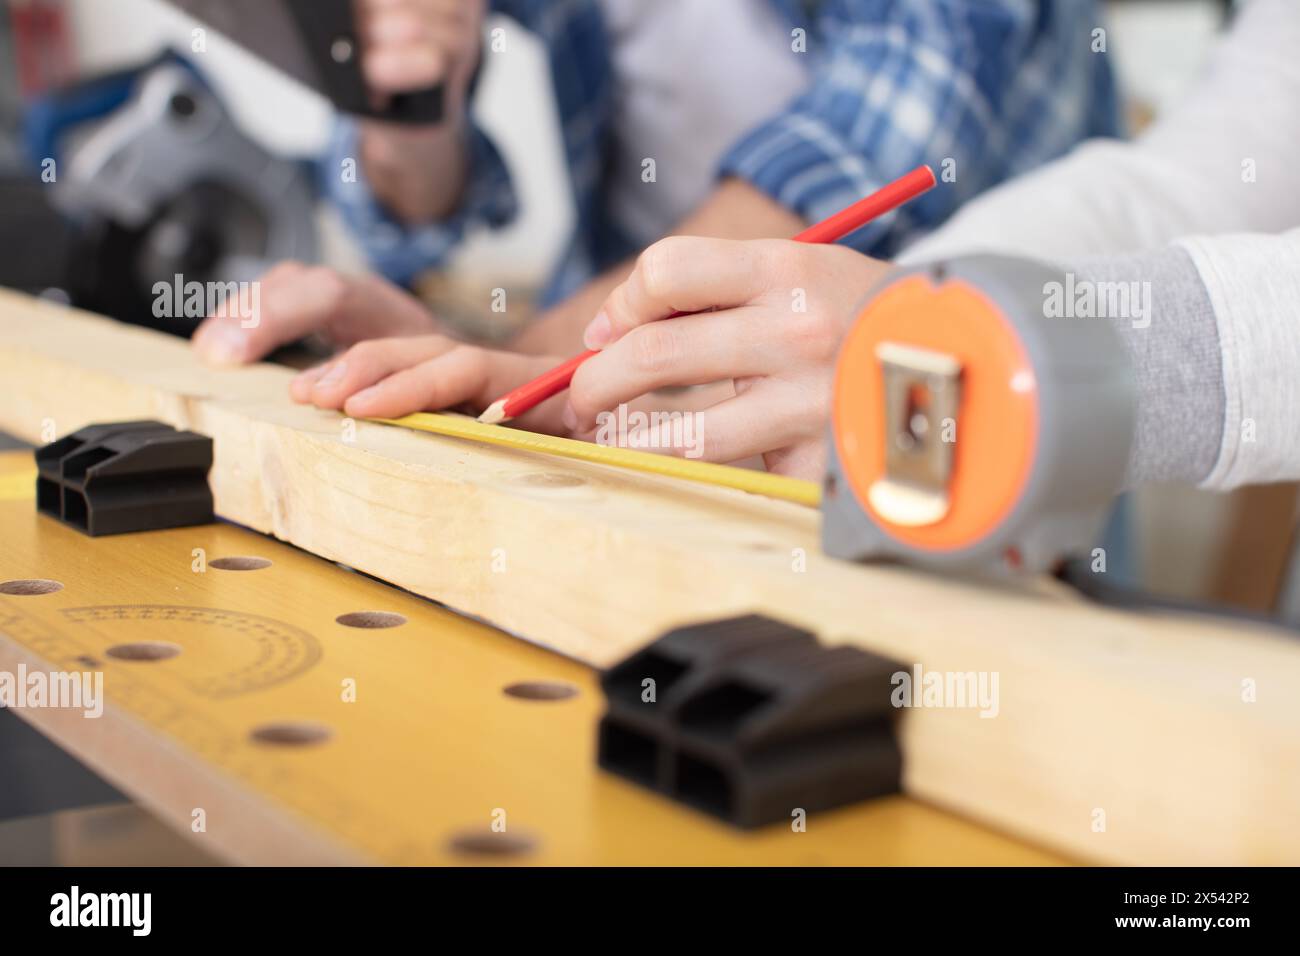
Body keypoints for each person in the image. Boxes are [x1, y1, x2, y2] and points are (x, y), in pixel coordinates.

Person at [193, 0, 1119, 368]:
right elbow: (415, 213)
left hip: (962, 374)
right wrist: (405, 114)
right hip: (622, 361)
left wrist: (539, 362)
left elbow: (873, 141)